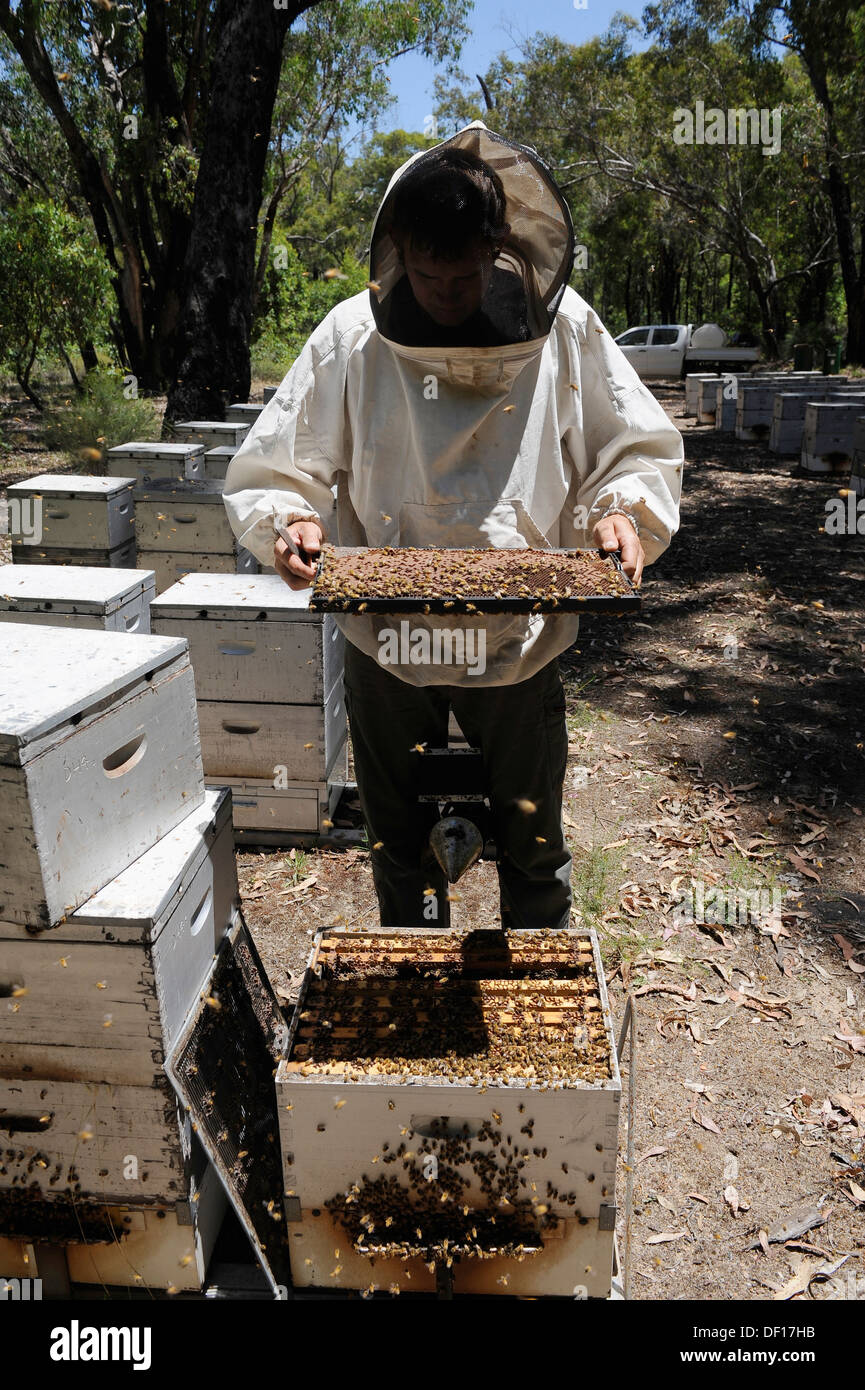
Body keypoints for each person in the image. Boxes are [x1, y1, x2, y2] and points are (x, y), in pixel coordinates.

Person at [223, 121, 683, 931]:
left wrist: (624, 513)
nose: (444, 293)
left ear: (499, 245)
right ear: (397, 249)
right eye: (429, 274)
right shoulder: (350, 334)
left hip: (518, 640)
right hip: (388, 640)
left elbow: (632, 444)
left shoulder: (564, 327)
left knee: (532, 838)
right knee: (399, 840)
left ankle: (537, 964)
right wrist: (286, 520)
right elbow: (280, 464)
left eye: (463, 274)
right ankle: (414, 968)